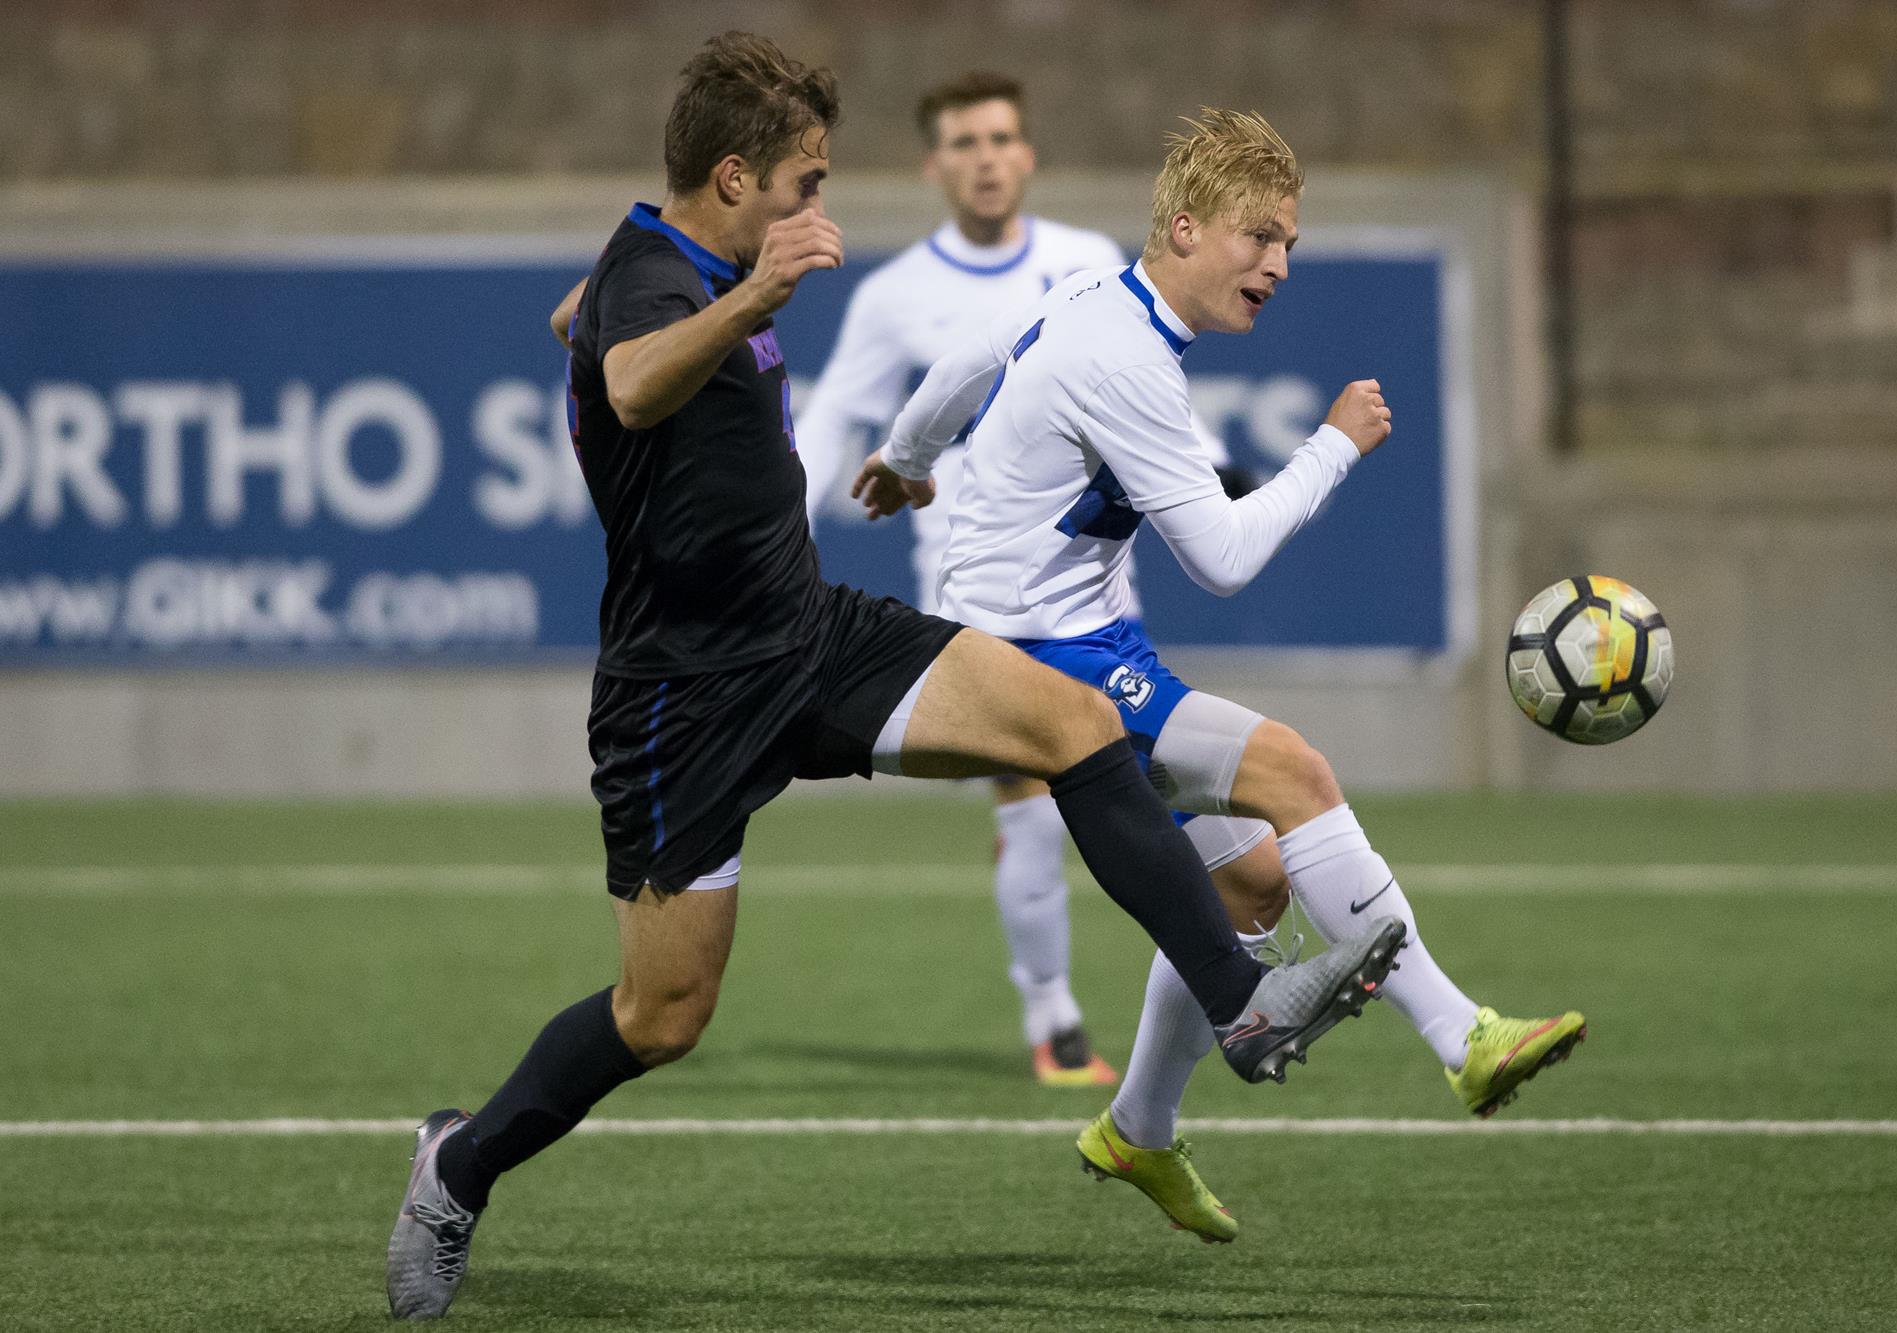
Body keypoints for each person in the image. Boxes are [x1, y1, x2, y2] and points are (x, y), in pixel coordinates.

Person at [386, 38, 1402, 1321]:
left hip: (810, 634)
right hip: (682, 698)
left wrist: (658, 309)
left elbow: (588, 328)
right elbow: (631, 384)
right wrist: (745, 300)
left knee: (1072, 719)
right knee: (662, 1014)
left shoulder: (660, 265)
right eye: (803, 183)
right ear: (735, 175)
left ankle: (1241, 1003)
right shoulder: (676, 279)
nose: (819, 207)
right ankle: (457, 1166)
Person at [855, 106, 1586, 1246]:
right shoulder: (1125, 358)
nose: (1277, 265)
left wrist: (903, 461)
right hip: (1034, 663)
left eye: (1288, 243)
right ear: (1185, 230)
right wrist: (1333, 443)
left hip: (1078, 639)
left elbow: (965, 361)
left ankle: (1136, 1130)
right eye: (1258, 238)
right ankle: (1463, 1038)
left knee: (1247, 886)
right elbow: (1225, 560)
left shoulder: (1092, 295)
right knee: (1294, 772)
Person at [796, 71, 1255, 1087]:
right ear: (934, 164)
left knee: (1154, 797)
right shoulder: (892, 296)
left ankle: (1225, 984)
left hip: (1094, 582)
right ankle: (1053, 1016)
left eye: (1000, 137)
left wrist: (1217, 460)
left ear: (1027, 152)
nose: (985, 157)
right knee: (1029, 799)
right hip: (975, 596)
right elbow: (836, 415)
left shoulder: (1083, 263)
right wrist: (781, 503)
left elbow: (1156, 394)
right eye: (962, 142)